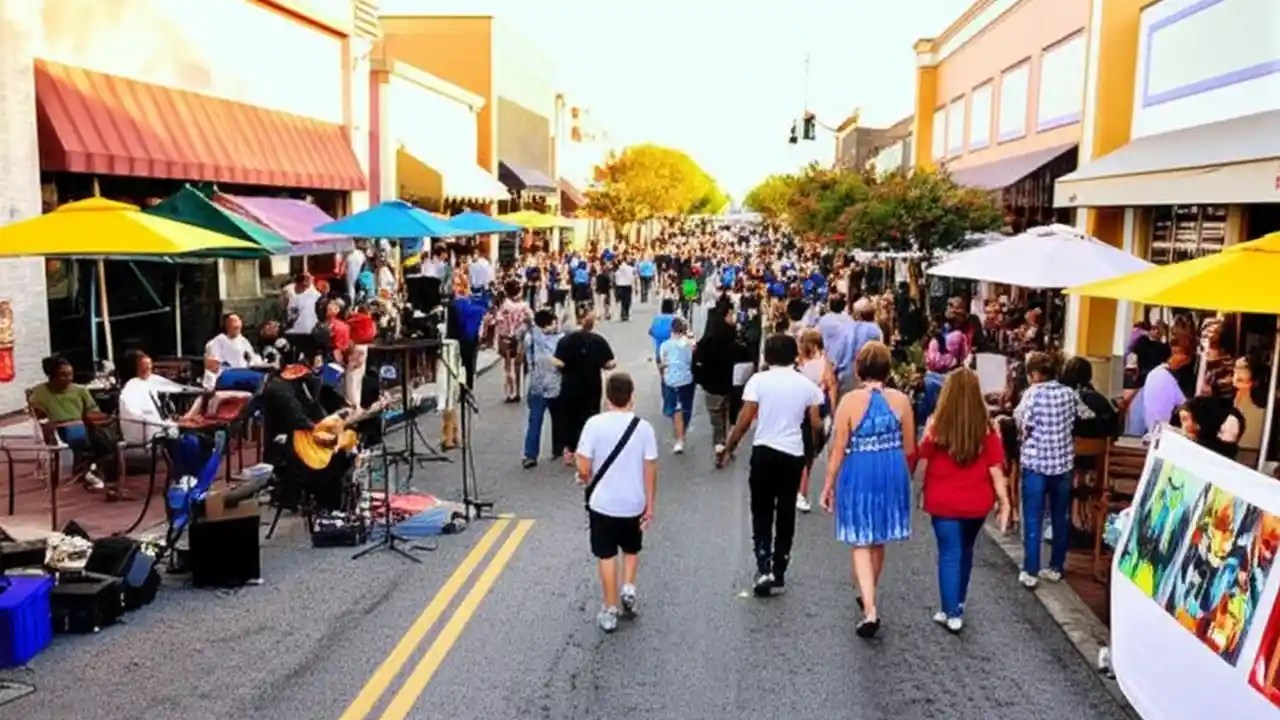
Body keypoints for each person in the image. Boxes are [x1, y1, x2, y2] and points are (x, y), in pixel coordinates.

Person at [820, 341, 915, 638]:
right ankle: (869, 593)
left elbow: (838, 449)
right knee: (878, 538)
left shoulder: (849, 402)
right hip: (891, 469)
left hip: (859, 468)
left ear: (860, 368)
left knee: (860, 539)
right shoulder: (901, 401)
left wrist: (828, 485)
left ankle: (870, 606)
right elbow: (911, 447)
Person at [720, 334, 823, 597]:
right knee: (786, 510)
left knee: (762, 509)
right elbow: (815, 424)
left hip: (765, 450)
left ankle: (763, 565)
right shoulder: (807, 386)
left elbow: (745, 419)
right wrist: (816, 446)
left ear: (767, 356)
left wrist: (729, 446)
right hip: (792, 454)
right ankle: (780, 568)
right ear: (794, 356)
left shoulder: (759, 381)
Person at [917, 368, 1011, 633]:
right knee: (965, 551)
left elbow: (922, 454)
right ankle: (957, 602)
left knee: (949, 552)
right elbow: (995, 467)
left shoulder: (938, 424)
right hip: (976, 501)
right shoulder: (986, 428)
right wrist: (1004, 502)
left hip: (943, 499)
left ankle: (950, 610)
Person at [576, 373, 658, 633]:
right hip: (633, 502)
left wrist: (583, 476)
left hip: (603, 503)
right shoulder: (644, 428)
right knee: (632, 548)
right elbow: (650, 469)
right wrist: (649, 504)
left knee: (607, 554)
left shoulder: (594, 424)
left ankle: (610, 607)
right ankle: (629, 587)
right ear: (631, 397)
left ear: (606, 397)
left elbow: (584, 464)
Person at [1013, 351, 1079, 589]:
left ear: (1035, 374)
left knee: (1033, 518)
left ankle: (1031, 570)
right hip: (1062, 463)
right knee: (1060, 516)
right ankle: (1056, 567)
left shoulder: (1032, 394)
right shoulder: (1069, 394)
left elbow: (1022, 421)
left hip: (1036, 463)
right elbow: (1083, 415)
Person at [29, 356, 122, 497]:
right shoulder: (39, 393)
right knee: (86, 436)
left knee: (108, 434)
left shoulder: (80, 390)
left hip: (84, 425)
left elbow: (92, 411)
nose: (68, 378)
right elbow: (40, 418)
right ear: (51, 376)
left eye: (70, 374)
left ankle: (97, 469)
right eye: (63, 375)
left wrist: (107, 418)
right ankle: (92, 470)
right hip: (60, 429)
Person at [555, 313, 616, 462]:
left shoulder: (565, 340)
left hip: (570, 384)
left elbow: (558, 362)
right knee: (589, 416)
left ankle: (570, 449)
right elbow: (609, 363)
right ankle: (587, 449)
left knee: (570, 417)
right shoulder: (598, 340)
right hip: (591, 385)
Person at [796, 329, 837, 513]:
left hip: (800, 407)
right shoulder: (824, 362)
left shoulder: (797, 363)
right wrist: (834, 411)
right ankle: (802, 489)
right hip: (819, 407)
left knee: (803, 447)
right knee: (811, 450)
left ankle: (800, 490)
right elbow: (831, 385)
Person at [694, 300, 739, 465]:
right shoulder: (735, 341)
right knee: (729, 419)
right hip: (730, 385)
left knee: (717, 422)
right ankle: (729, 445)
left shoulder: (706, 342)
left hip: (712, 387)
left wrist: (701, 379)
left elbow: (697, 363)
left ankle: (720, 447)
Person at [523, 309, 565, 469]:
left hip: (537, 383)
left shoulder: (531, 337)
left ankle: (530, 454)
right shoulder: (559, 339)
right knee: (558, 418)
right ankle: (558, 448)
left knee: (535, 420)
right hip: (555, 383)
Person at [117, 350, 177, 452]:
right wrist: (169, 425)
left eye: (150, 369)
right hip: (145, 441)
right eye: (145, 370)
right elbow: (145, 421)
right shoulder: (132, 389)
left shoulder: (144, 383)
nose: (149, 373)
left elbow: (173, 386)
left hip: (150, 435)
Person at [658, 317, 696, 454]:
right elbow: (691, 361)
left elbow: (663, 362)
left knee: (676, 409)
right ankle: (682, 432)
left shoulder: (665, 345)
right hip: (687, 379)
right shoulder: (690, 344)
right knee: (686, 407)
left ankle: (679, 437)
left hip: (671, 379)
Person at [495, 279, 534, 403]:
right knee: (518, 365)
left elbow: (498, 320)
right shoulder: (524, 306)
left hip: (506, 338)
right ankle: (518, 391)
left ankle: (509, 392)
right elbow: (532, 321)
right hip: (520, 338)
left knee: (508, 365)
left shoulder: (504, 306)